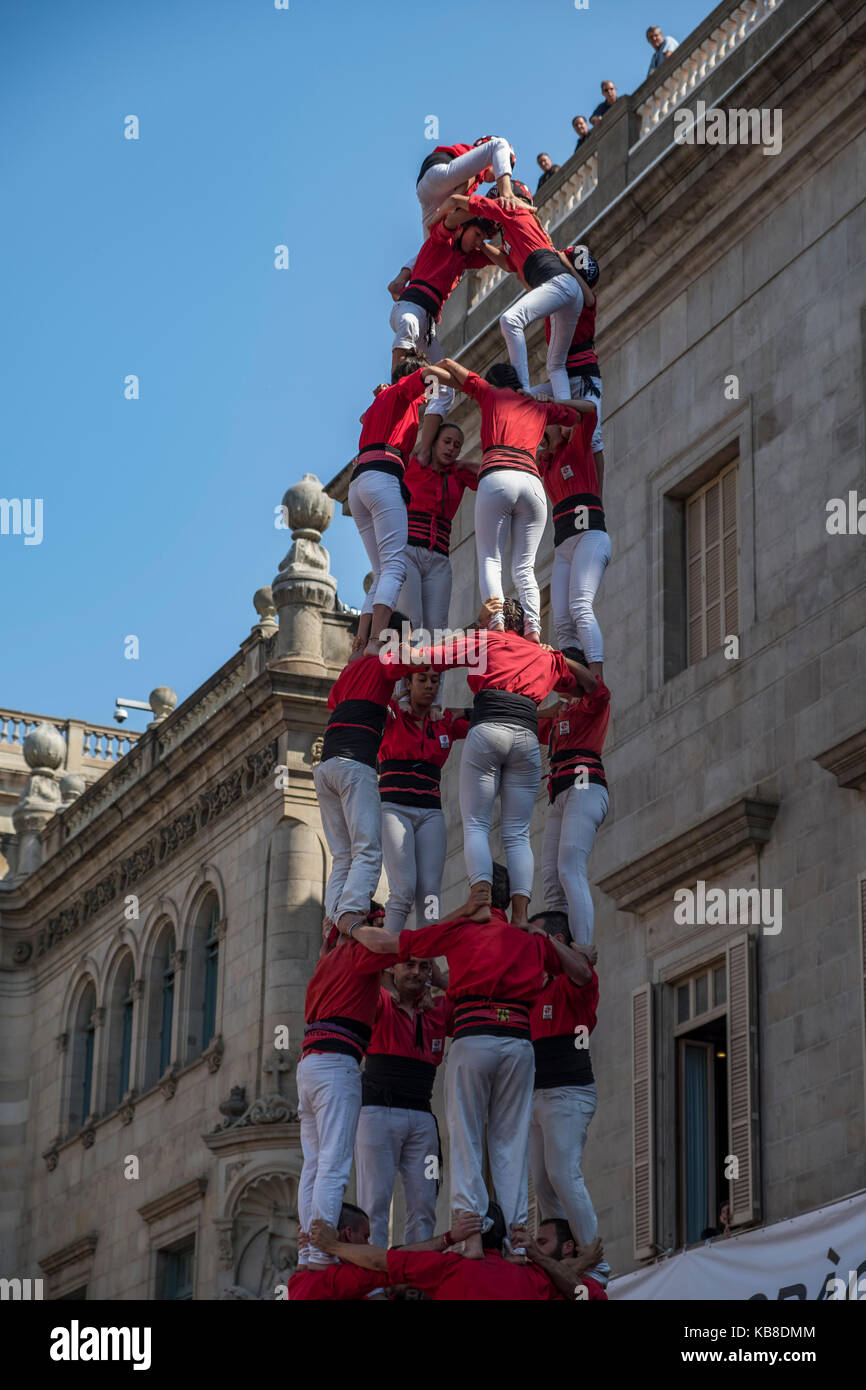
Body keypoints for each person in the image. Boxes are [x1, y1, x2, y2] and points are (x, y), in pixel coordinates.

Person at [340, 879, 596, 1255]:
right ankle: (515, 1240)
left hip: (475, 1037)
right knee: (510, 1144)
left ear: (477, 891)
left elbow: (405, 943)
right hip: (518, 1043)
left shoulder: (461, 930)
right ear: (512, 901)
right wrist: (563, 945)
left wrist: (457, 913)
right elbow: (585, 973)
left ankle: (472, 1235)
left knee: (466, 1140)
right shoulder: (531, 939)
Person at [407, 597, 597, 924]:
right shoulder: (543, 656)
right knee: (518, 832)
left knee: (477, 824)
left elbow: (423, 656)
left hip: (487, 730)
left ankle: (481, 902)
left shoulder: (484, 641)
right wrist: (557, 656)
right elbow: (590, 686)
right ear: (527, 626)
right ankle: (521, 916)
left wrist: (476, 625)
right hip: (524, 736)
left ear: (497, 622)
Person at [423, 357, 578, 639]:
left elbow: (455, 369)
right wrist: (538, 398)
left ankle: (496, 623)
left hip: (497, 476)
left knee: (490, 560)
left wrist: (433, 366)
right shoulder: (539, 407)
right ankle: (533, 629)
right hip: (532, 483)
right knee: (525, 566)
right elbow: (574, 416)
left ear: (495, 382)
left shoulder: (491, 393)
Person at [296, 923, 402, 1267]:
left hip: (309, 1066)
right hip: (336, 1066)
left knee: (313, 1164)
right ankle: (320, 1252)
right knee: (334, 1163)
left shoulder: (325, 962)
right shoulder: (357, 953)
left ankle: (307, 1247)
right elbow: (398, 949)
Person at [429, 181, 586, 401]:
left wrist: (433, 225)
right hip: (569, 293)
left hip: (558, 284)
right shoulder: (513, 234)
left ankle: (522, 390)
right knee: (555, 365)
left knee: (510, 320)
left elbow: (456, 202)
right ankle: (567, 408)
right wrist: (482, 245)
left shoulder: (511, 210)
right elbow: (506, 263)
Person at [313, 617, 417, 938]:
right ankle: (349, 917)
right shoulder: (385, 662)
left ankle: (332, 921)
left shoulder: (351, 671)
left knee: (343, 855)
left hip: (326, 766)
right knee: (368, 851)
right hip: (354, 767)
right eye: (406, 640)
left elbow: (337, 701)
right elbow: (416, 663)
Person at [527, 911, 607, 1282]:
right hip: (538, 1096)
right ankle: (558, 1256)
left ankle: (595, 1262)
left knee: (563, 1173)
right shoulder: (534, 989)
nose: (531, 944)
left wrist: (562, 946)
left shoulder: (573, 983)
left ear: (555, 940)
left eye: (537, 938)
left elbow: (582, 972)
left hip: (568, 1093)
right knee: (543, 1185)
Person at [354, 958, 451, 1246]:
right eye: (409, 965)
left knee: (424, 1206)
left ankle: (416, 1279)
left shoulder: (439, 1009)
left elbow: (473, 988)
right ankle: (375, 1280)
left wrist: (439, 982)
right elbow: (361, 972)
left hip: (422, 1116)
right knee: (374, 1204)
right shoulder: (380, 1001)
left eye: (424, 967)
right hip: (377, 1112)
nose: (417, 973)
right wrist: (386, 980)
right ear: (392, 969)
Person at [311, 1201, 572, 1301]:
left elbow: (382, 1261)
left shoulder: (449, 1267)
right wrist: (537, 1259)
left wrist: (332, 1246)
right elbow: (584, 1293)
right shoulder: (534, 1278)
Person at [387, 217, 496, 445]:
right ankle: (394, 390)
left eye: (481, 238)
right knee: (409, 323)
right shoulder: (440, 241)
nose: (478, 242)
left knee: (444, 390)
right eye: (476, 235)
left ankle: (425, 449)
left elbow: (505, 261)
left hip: (427, 324)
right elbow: (452, 207)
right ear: (462, 226)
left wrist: (485, 239)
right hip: (410, 308)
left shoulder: (464, 258)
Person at [379, 667, 470, 934]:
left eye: (435, 680)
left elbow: (486, 714)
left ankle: (425, 960)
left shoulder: (443, 722)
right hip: (394, 808)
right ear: (407, 683)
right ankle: (388, 958)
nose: (429, 685)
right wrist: (401, 702)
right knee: (403, 889)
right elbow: (374, 700)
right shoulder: (393, 714)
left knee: (430, 892)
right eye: (422, 680)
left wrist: (454, 711)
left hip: (430, 811)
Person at [349, 359, 431, 652]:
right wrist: (453, 374)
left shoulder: (387, 397)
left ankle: (361, 644)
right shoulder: (402, 392)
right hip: (383, 476)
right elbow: (423, 378)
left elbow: (363, 419)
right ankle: (374, 641)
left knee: (382, 571)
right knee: (395, 566)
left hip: (359, 482)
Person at [538, 653, 611, 944]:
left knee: (569, 868)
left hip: (584, 782)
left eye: (562, 677)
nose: (559, 683)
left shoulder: (593, 704)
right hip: (560, 794)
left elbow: (595, 685)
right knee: (552, 880)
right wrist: (549, 711)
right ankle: (561, 947)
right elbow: (520, 718)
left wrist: (562, 659)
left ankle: (582, 948)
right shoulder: (560, 715)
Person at [539, 404, 609, 675]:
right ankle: (574, 685)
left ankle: (597, 679)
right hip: (564, 548)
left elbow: (590, 410)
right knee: (562, 623)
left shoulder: (577, 448)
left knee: (580, 605)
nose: (541, 430)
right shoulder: (545, 463)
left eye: (548, 423)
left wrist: (557, 403)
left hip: (590, 537)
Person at [292, 1202, 482, 1299]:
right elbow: (389, 1262)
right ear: (349, 1234)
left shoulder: (299, 1278)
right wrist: (450, 1239)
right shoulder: (336, 1279)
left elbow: (391, 1259)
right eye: (366, 1236)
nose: (369, 1244)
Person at [534, 244, 605, 488]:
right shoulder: (556, 297)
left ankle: (598, 496)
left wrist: (566, 265)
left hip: (584, 378)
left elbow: (588, 296)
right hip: (561, 378)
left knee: (594, 439)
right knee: (522, 401)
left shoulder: (584, 299)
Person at [398, 424, 479, 632]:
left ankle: (429, 666)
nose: (451, 448)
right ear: (433, 443)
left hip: (440, 559)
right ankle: (407, 664)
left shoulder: (458, 475)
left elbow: (493, 475)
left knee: (437, 630)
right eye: (447, 441)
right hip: (408, 552)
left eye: (457, 445)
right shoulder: (413, 465)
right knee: (410, 622)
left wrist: (466, 465)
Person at [512, 1220, 609, 1300]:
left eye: (542, 1242)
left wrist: (538, 1255)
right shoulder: (530, 1273)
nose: (534, 1247)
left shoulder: (591, 1288)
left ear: (568, 1247)